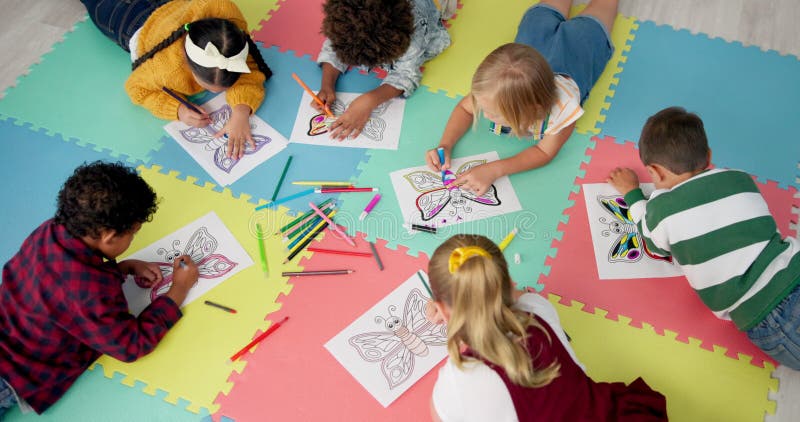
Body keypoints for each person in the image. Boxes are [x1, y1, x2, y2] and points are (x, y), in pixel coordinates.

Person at [607, 106, 800, 369]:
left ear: (656, 172)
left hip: (767, 315)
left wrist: (632, 193)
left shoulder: (660, 210)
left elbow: (650, 240)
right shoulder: (740, 179)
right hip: (793, 269)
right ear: (709, 156)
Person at [0, 162, 199, 416]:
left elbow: (60, 284)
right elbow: (130, 344)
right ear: (108, 236)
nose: (133, 239)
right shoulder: (90, 293)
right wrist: (178, 290)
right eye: (133, 233)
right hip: (13, 373)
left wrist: (121, 268)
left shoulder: (50, 229)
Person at [427, 234, 668, 421]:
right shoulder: (537, 308)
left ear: (441, 309)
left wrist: (457, 325)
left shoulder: (458, 379)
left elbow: (437, 416)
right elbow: (519, 296)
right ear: (508, 283)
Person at [426, 0, 617, 196]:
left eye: (494, 114)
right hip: (537, 30)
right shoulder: (495, 88)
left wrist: (494, 169)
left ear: (532, 110)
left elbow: (544, 152)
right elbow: (464, 109)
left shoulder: (562, 110)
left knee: (606, 5)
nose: (484, 114)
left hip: (582, 43)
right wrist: (445, 144)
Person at [80, 0, 273, 159]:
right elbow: (136, 88)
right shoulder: (166, 69)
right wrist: (178, 110)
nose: (217, 93)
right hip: (126, 17)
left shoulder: (229, 29)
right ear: (189, 66)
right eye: (208, 86)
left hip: (172, 7)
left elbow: (251, 67)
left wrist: (240, 112)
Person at [314, 0, 455, 140]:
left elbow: (406, 75)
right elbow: (333, 47)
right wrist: (327, 85)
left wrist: (368, 101)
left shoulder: (413, 32)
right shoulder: (346, 18)